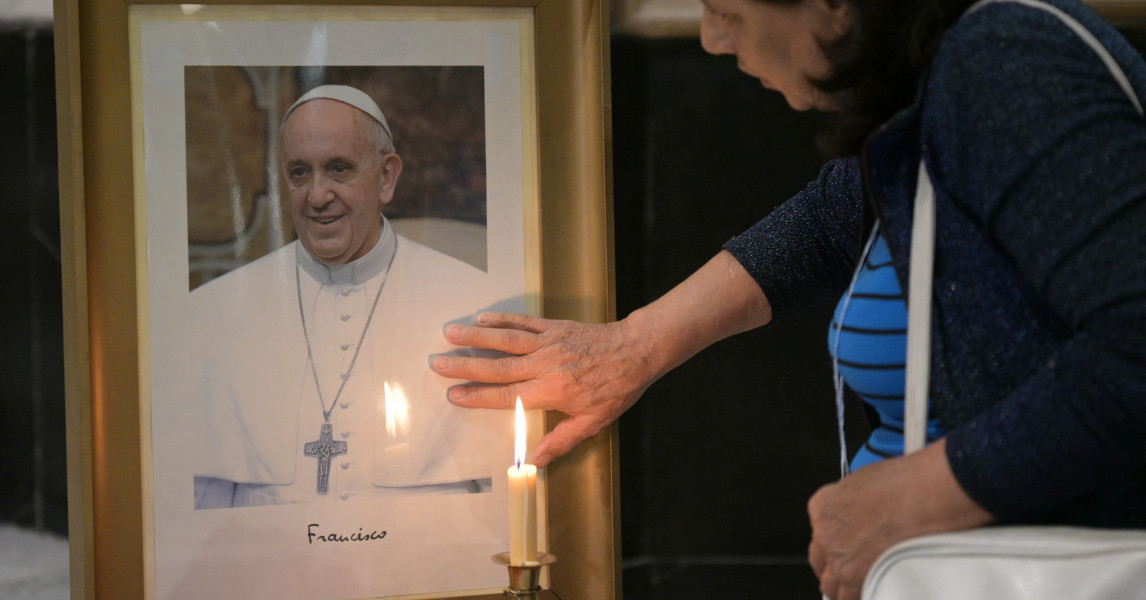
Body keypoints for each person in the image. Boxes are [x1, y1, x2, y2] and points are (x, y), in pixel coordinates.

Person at [431, 0, 1146, 598]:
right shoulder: (936, 88)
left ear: (834, 5)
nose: (711, 38)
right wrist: (633, 347)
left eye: (726, 9)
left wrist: (906, 501)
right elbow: (839, 218)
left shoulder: (1007, 67)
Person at [190, 84, 511, 509]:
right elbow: (202, 507)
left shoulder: (477, 306)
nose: (318, 196)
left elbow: (502, 499)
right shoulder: (217, 312)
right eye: (300, 172)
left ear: (386, 177)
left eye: (339, 168)